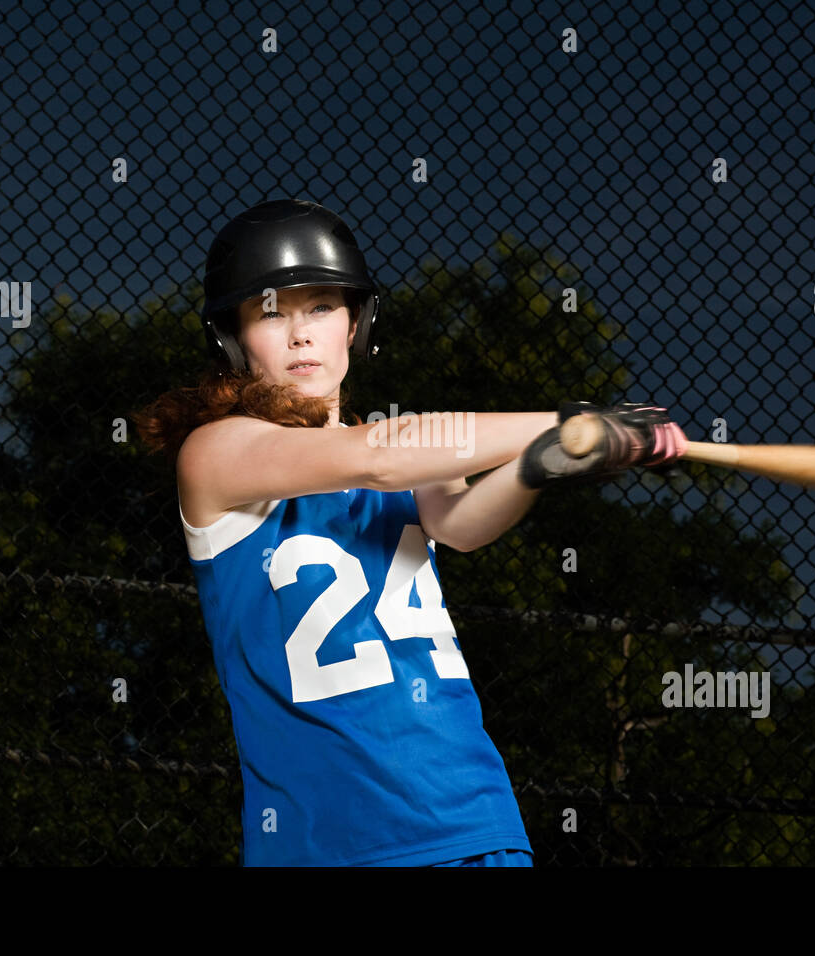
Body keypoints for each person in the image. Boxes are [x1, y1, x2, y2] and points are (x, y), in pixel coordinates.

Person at [133, 198, 688, 866]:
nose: (301, 333)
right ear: (234, 336)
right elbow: (379, 455)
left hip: (471, 818)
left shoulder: (403, 453)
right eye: (272, 311)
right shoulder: (218, 453)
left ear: (355, 323)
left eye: (321, 307)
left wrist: (543, 462)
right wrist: (569, 419)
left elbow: (460, 526)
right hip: (334, 841)